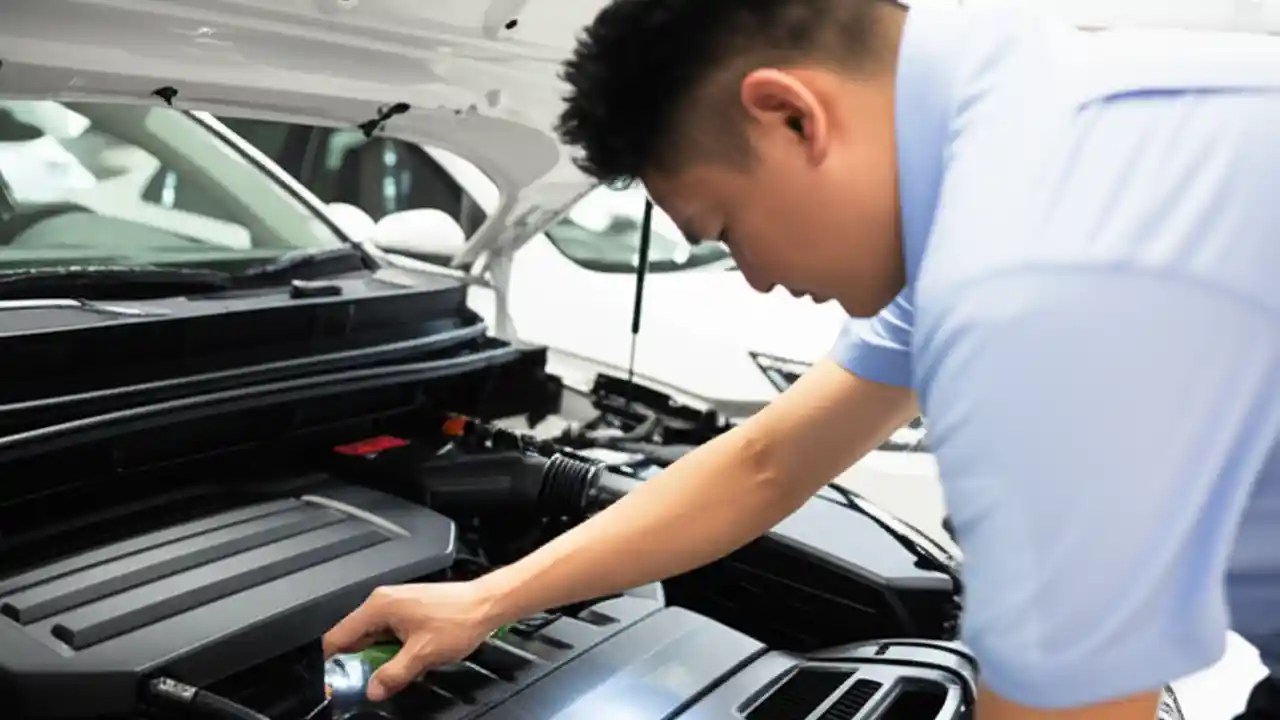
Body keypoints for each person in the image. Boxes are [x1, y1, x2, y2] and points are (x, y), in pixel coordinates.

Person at [323, 0, 1280, 717]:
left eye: (727, 227)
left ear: (791, 116)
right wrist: (486, 599)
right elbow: (768, 460)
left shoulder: (1035, 268)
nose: (755, 276)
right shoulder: (1032, 119)